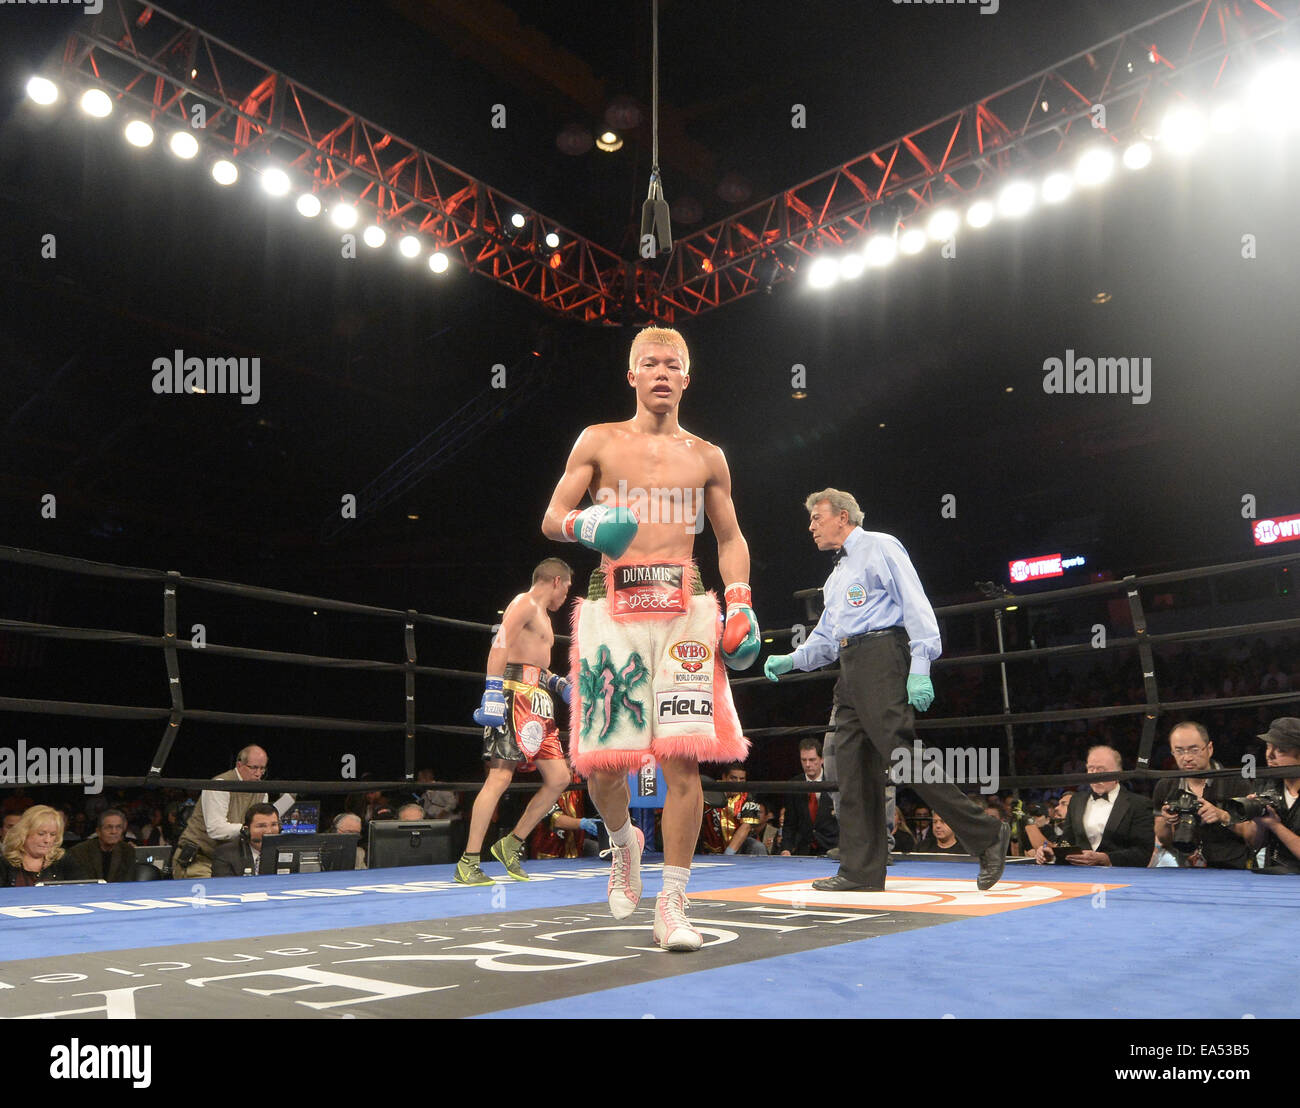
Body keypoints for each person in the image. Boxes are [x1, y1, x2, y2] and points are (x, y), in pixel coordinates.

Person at [541, 325, 759, 951]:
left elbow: (729, 537)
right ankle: (622, 841)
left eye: (673, 364)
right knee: (607, 766)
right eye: (649, 363)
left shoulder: (707, 455)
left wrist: (739, 600)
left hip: (685, 609)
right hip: (615, 609)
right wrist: (588, 522)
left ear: (687, 379)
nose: (661, 373)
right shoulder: (599, 440)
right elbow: (552, 518)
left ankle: (673, 904)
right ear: (631, 375)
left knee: (681, 759)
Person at [764, 489, 1007, 891]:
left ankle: (985, 833)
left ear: (842, 517)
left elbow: (916, 604)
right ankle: (861, 870)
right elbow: (826, 638)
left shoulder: (881, 546)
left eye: (816, 518)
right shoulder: (835, 576)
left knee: (902, 756)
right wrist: (793, 659)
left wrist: (921, 665)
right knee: (851, 768)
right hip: (849, 668)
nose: (811, 527)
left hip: (882, 658)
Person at [455, 559, 575, 885]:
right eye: (566, 586)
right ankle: (469, 861)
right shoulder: (524, 603)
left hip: (538, 698)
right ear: (555, 580)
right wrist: (491, 689)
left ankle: (512, 843)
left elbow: (533, 663)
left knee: (560, 777)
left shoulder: (545, 617)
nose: (566, 594)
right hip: (512, 695)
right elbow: (501, 643)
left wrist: (558, 684)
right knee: (500, 777)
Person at [171, 745, 293, 879]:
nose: (258, 773)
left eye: (262, 768)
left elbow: (259, 826)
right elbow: (216, 829)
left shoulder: (261, 792)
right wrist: (248, 830)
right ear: (239, 765)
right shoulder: (220, 785)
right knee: (215, 895)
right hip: (200, 859)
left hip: (229, 860)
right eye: (254, 768)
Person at [1152, 721, 1253, 869]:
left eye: (1194, 750)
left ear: (1209, 749)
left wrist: (1223, 816)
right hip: (1183, 868)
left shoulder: (1235, 783)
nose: (1186, 757)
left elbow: (1252, 835)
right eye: (1179, 751)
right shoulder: (1166, 785)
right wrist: (1167, 821)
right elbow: (1163, 839)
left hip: (1229, 868)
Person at [1033, 745, 1154, 866]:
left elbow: (1143, 853)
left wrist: (1106, 858)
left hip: (1121, 877)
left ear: (1118, 773)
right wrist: (1053, 854)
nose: (1095, 775)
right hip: (1081, 877)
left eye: (1101, 770)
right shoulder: (1076, 800)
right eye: (1091, 769)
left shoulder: (1139, 804)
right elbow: (1067, 843)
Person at [1239, 718, 1300, 873]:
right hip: (1272, 875)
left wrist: (1275, 826)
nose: (1269, 755)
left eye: (1280, 750)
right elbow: (1254, 844)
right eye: (1268, 747)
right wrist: (1258, 819)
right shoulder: (1267, 783)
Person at [779, 739, 838, 856]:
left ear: (822, 759)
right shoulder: (794, 785)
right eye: (803, 760)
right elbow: (790, 822)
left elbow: (845, 820)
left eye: (812, 760)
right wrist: (786, 849)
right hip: (803, 850)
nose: (807, 764)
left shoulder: (834, 782)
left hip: (832, 849)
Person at [530, 771, 602, 860]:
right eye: (565, 766)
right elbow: (555, 819)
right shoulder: (542, 782)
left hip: (576, 850)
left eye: (570, 767)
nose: (568, 771)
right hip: (548, 852)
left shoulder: (578, 780)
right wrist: (583, 823)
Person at [699, 763, 766, 856]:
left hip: (739, 846)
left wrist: (729, 853)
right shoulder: (710, 792)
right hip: (710, 844)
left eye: (742, 779)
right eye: (733, 778)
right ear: (724, 777)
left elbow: (746, 827)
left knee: (757, 847)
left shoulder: (749, 796)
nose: (738, 782)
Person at [0, 804, 75, 886]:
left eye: (53, 834)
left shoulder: (64, 861)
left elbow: (83, 891)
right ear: (24, 833)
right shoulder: (4, 864)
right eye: (41, 834)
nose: (47, 840)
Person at [63, 808, 135, 882]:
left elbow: (127, 881)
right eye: (109, 827)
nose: (114, 831)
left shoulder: (128, 851)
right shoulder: (79, 852)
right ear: (98, 831)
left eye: (118, 827)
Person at [211, 804, 280, 876]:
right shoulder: (225, 854)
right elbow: (224, 886)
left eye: (274, 825)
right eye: (261, 826)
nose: (269, 831)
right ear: (247, 830)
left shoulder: (287, 850)